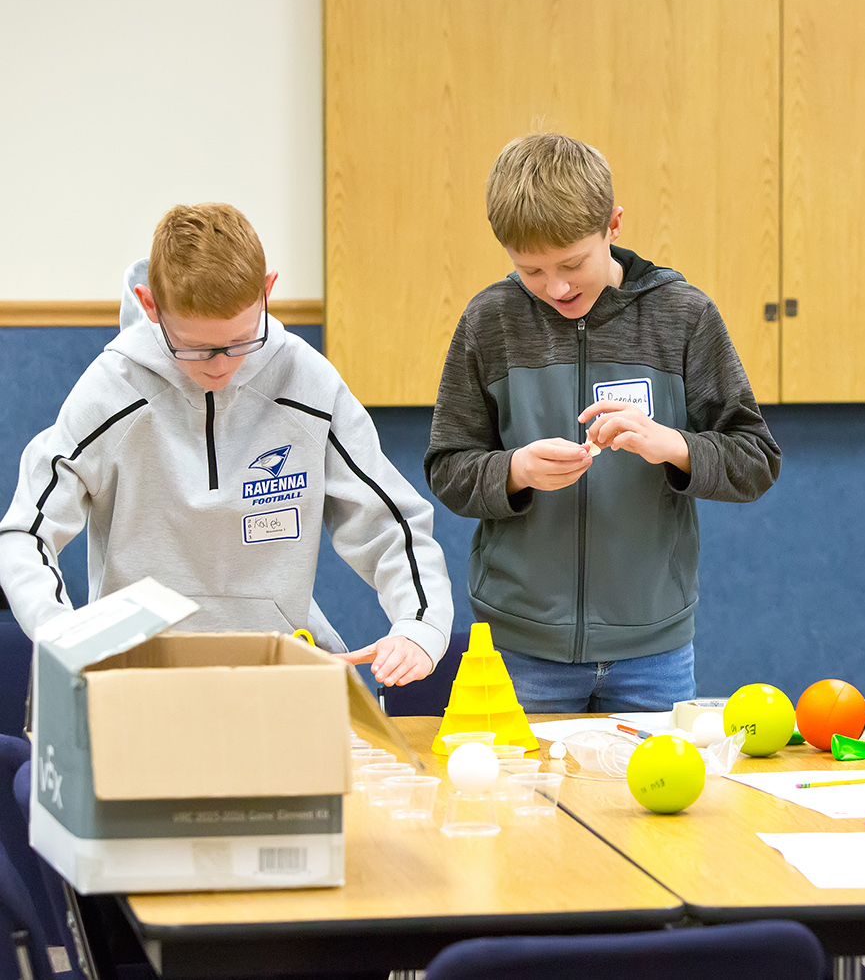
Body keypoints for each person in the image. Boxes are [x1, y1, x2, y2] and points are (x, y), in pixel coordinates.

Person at [0, 203, 451, 684]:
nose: (219, 365)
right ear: (150, 306)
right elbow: (25, 535)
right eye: (195, 348)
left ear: (267, 291)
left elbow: (388, 522)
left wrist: (420, 625)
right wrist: (63, 639)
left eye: (240, 342)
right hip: (138, 683)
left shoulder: (308, 383)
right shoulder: (109, 392)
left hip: (278, 677)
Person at [425, 131, 780, 713]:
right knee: (523, 805)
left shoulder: (684, 316)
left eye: (572, 264)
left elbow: (755, 461)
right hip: (521, 647)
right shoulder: (490, 321)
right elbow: (448, 468)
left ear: (613, 225)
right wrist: (512, 471)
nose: (556, 287)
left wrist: (677, 447)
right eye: (531, 271)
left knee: (651, 804)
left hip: (653, 651)